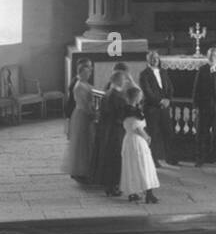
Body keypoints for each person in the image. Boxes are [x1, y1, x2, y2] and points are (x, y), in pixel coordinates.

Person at [91, 67, 133, 196]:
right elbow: (121, 115)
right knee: (115, 159)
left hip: (108, 130)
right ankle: (113, 186)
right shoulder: (117, 96)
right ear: (119, 81)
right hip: (116, 131)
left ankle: (110, 186)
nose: (125, 81)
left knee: (109, 158)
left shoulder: (108, 94)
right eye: (123, 79)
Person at [120, 90, 160, 204]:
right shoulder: (133, 111)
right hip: (137, 141)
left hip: (128, 140)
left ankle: (132, 192)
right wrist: (147, 137)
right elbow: (137, 128)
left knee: (131, 166)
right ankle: (149, 193)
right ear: (137, 97)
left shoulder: (125, 109)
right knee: (144, 166)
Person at [139, 50, 178, 166]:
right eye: (152, 58)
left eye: (156, 57)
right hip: (151, 108)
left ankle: (170, 158)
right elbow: (147, 91)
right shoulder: (144, 74)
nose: (155, 60)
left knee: (168, 132)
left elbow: (170, 88)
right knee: (153, 134)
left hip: (164, 107)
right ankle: (153, 160)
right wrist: (160, 101)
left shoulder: (164, 72)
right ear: (148, 60)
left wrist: (168, 100)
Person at [64, 61, 96, 182]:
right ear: (81, 73)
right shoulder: (79, 86)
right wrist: (92, 114)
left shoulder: (84, 83)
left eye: (89, 72)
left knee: (87, 142)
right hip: (82, 115)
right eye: (86, 72)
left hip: (85, 114)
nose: (89, 74)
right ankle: (80, 170)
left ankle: (86, 169)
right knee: (81, 143)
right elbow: (83, 104)